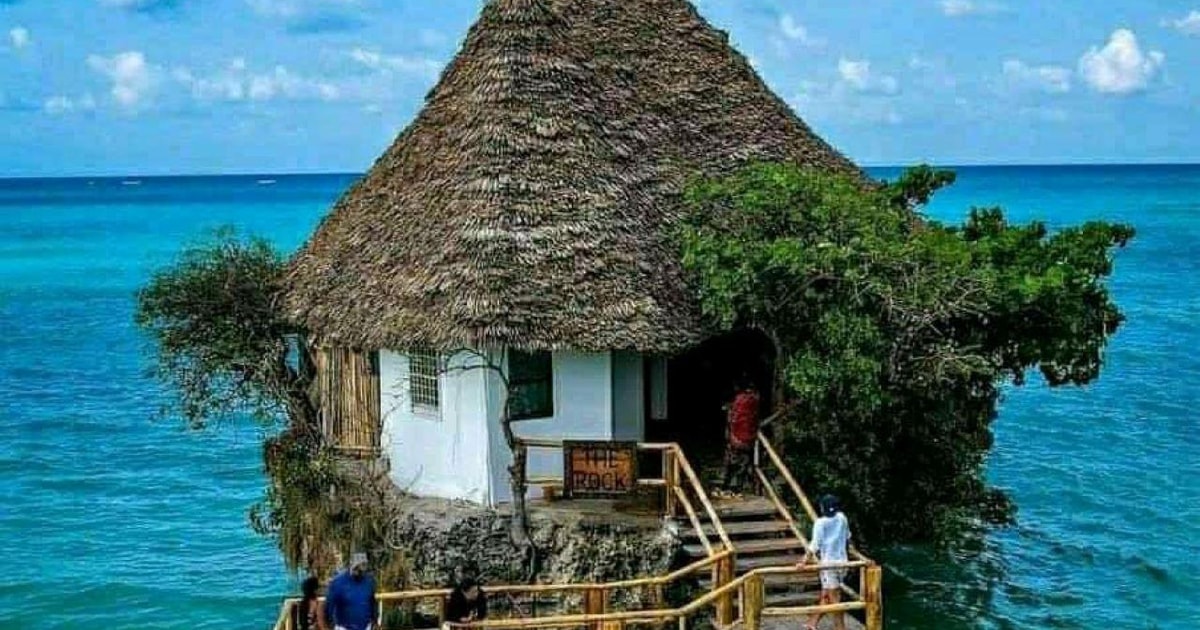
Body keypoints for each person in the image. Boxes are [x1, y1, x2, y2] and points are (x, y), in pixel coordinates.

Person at [799, 495, 852, 630]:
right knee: (827, 594)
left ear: (822, 508)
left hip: (829, 564)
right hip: (843, 562)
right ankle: (812, 623)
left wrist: (803, 561)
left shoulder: (820, 523)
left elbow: (814, 545)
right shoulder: (842, 517)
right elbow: (847, 538)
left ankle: (840, 628)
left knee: (835, 598)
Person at [718, 377, 760, 498]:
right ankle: (736, 488)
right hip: (748, 438)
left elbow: (734, 420)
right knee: (742, 464)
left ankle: (725, 486)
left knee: (730, 462)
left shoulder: (739, 400)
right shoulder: (755, 400)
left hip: (736, 437)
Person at [325, 552, 378, 630]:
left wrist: (375, 620)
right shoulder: (338, 582)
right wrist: (330, 625)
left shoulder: (369, 581)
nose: (358, 572)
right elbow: (329, 606)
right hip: (343, 627)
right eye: (356, 568)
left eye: (361, 570)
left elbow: (372, 602)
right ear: (352, 567)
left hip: (366, 626)